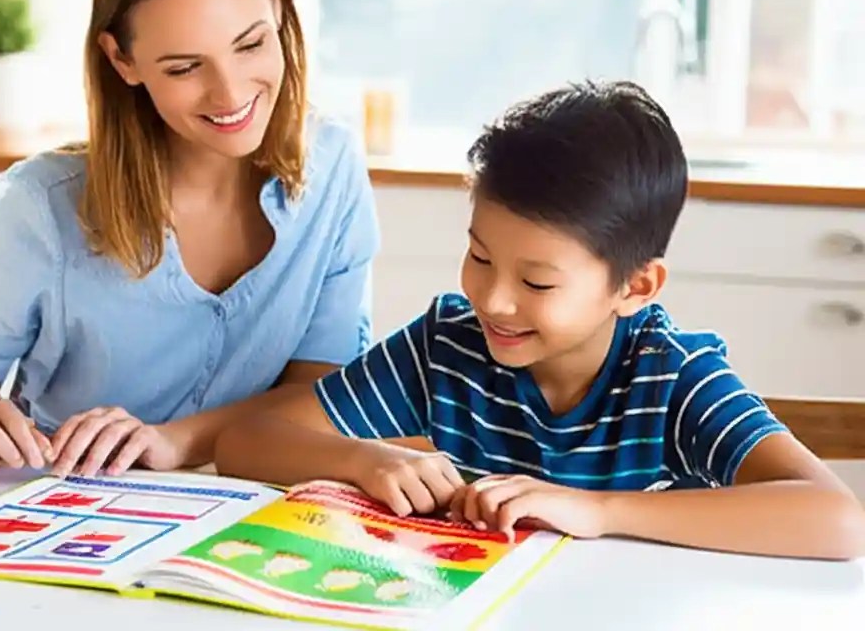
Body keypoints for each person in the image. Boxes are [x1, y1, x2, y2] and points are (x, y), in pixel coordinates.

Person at [216, 80, 865, 560]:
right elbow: (247, 440)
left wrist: (597, 510)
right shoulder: (447, 346)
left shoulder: (674, 378)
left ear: (635, 286)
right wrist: (363, 461)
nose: (494, 300)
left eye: (536, 282)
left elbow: (837, 519)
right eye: (479, 257)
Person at [0, 0, 383, 480]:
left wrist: (177, 442)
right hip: (71, 504)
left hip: (248, 504)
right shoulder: (41, 205)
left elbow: (319, 389)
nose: (231, 92)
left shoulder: (332, 166)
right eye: (186, 67)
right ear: (122, 60)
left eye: (251, 44)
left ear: (281, 21)